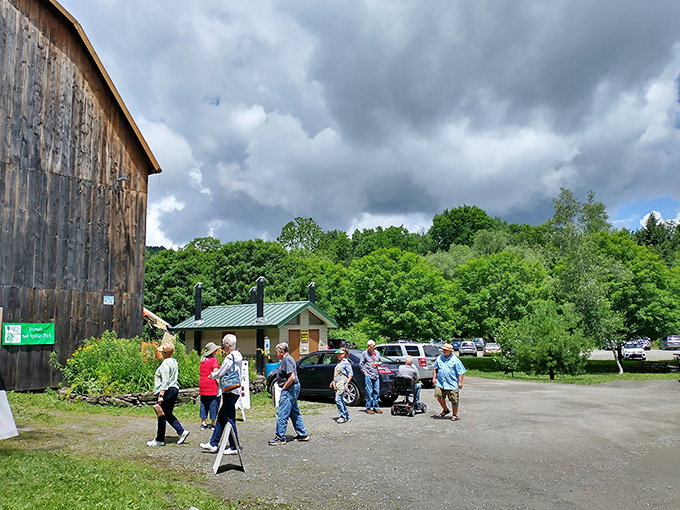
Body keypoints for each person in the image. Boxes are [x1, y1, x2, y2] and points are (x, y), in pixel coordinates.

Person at [200, 334, 243, 454]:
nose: (223, 347)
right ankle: (213, 443)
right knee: (221, 417)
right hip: (235, 390)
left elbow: (221, 372)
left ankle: (235, 446)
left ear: (227, 345)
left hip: (229, 390)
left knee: (229, 419)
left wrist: (212, 375)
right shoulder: (238, 356)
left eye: (224, 345)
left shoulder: (229, 358)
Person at [147, 342, 190, 447]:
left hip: (167, 390)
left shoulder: (166, 363)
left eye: (162, 351)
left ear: (164, 352)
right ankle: (181, 431)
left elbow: (165, 380)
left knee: (161, 414)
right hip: (173, 389)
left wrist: (161, 395)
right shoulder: (173, 361)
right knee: (167, 414)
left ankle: (159, 439)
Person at [269, 342, 309, 445]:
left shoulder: (287, 360)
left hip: (290, 389)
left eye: (277, 352)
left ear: (282, 352)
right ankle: (302, 434)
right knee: (293, 411)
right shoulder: (285, 360)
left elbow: (292, 377)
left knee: (282, 412)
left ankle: (280, 437)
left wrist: (284, 388)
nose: (276, 353)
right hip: (291, 388)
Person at [432, 343, 467, 421]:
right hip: (440, 382)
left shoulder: (455, 360)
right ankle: (445, 410)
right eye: (443, 349)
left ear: (450, 351)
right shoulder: (439, 358)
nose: (443, 351)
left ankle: (454, 415)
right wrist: (434, 378)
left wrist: (460, 382)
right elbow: (435, 368)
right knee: (438, 395)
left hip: (452, 383)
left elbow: (461, 372)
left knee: (454, 400)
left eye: (445, 350)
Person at [199, 342, 220, 430]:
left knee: (203, 404)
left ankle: (203, 422)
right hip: (212, 386)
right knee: (213, 404)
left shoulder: (202, 360)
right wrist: (220, 385)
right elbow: (215, 374)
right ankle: (213, 423)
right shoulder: (214, 360)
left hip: (203, 385)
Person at [329, 347, 353, 423]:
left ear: (344, 354)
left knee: (338, 399)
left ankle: (343, 416)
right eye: (338, 354)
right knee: (340, 400)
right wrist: (332, 382)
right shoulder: (339, 362)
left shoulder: (346, 362)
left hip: (342, 383)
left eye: (340, 354)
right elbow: (336, 374)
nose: (338, 355)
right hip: (337, 383)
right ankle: (347, 416)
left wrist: (347, 383)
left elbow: (350, 374)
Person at [360, 339, 382, 414]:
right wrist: (365, 373)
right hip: (368, 375)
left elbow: (381, 361)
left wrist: (377, 363)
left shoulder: (377, 353)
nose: (369, 347)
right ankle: (368, 407)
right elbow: (361, 364)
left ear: (374, 346)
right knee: (369, 392)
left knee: (376, 391)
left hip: (376, 375)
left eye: (371, 346)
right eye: (368, 346)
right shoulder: (364, 353)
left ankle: (376, 407)